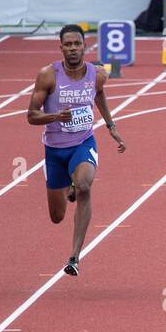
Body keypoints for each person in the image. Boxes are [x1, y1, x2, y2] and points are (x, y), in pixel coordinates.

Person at [26, 25, 126, 277]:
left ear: (84, 46)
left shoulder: (97, 74)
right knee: (57, 216)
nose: (73, 48)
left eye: (77, 44)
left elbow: (99, 94)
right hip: (55, 150)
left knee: (84, 186)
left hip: (83, 143)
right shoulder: (48, 75)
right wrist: (55, 116)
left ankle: (74, 257)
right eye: (68, 44)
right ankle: (68, 184)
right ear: (60, 47)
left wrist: (111, 125)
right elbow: (31, 115)